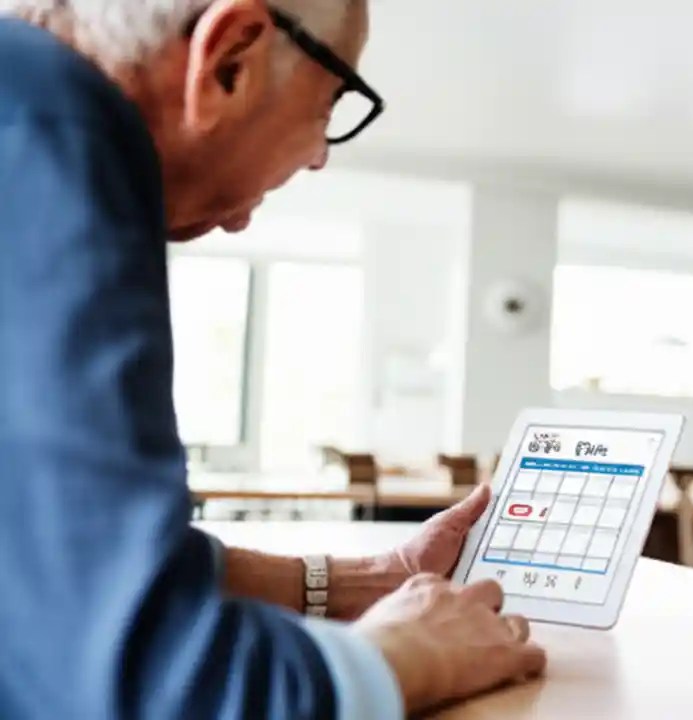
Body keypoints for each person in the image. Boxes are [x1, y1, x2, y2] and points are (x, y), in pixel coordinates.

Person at [0, 1, 545, 717]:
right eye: (331, 104)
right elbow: (156, 683)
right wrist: (415, 652)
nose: (320, 156)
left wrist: (374, 578)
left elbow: (54, 571)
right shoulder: (56, 128)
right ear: (231, 60)